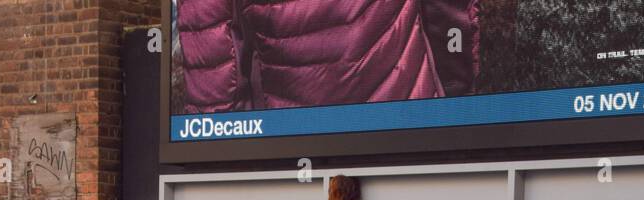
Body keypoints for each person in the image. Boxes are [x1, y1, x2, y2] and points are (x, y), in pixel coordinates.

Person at [177, 0, 481, 113]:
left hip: (287, 137)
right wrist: (452, 104)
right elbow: (450, 14)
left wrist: (232, 151)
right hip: (403, 120)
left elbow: (211, 50)